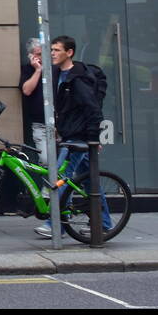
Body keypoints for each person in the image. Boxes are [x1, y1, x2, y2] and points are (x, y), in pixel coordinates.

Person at [35, 35, 111, 240]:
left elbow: (92, 109)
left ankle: (54, 224)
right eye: (51, 50)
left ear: (69, 53)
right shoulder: (59, 74)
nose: (52, 53)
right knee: (89, 182)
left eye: (57, 50)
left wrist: (93, 139)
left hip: (78, 138)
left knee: (60, 179)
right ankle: (104, 223)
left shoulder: (78, 79)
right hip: (69, 135)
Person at [20, 38, 47, 160]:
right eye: (39, 54)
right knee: (46, 160)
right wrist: (38, 70)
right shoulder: (27, 70)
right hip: (40, 124)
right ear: (31, 56)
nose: (42, 57)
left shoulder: (54, 68)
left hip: (60, 124)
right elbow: (27, 90)